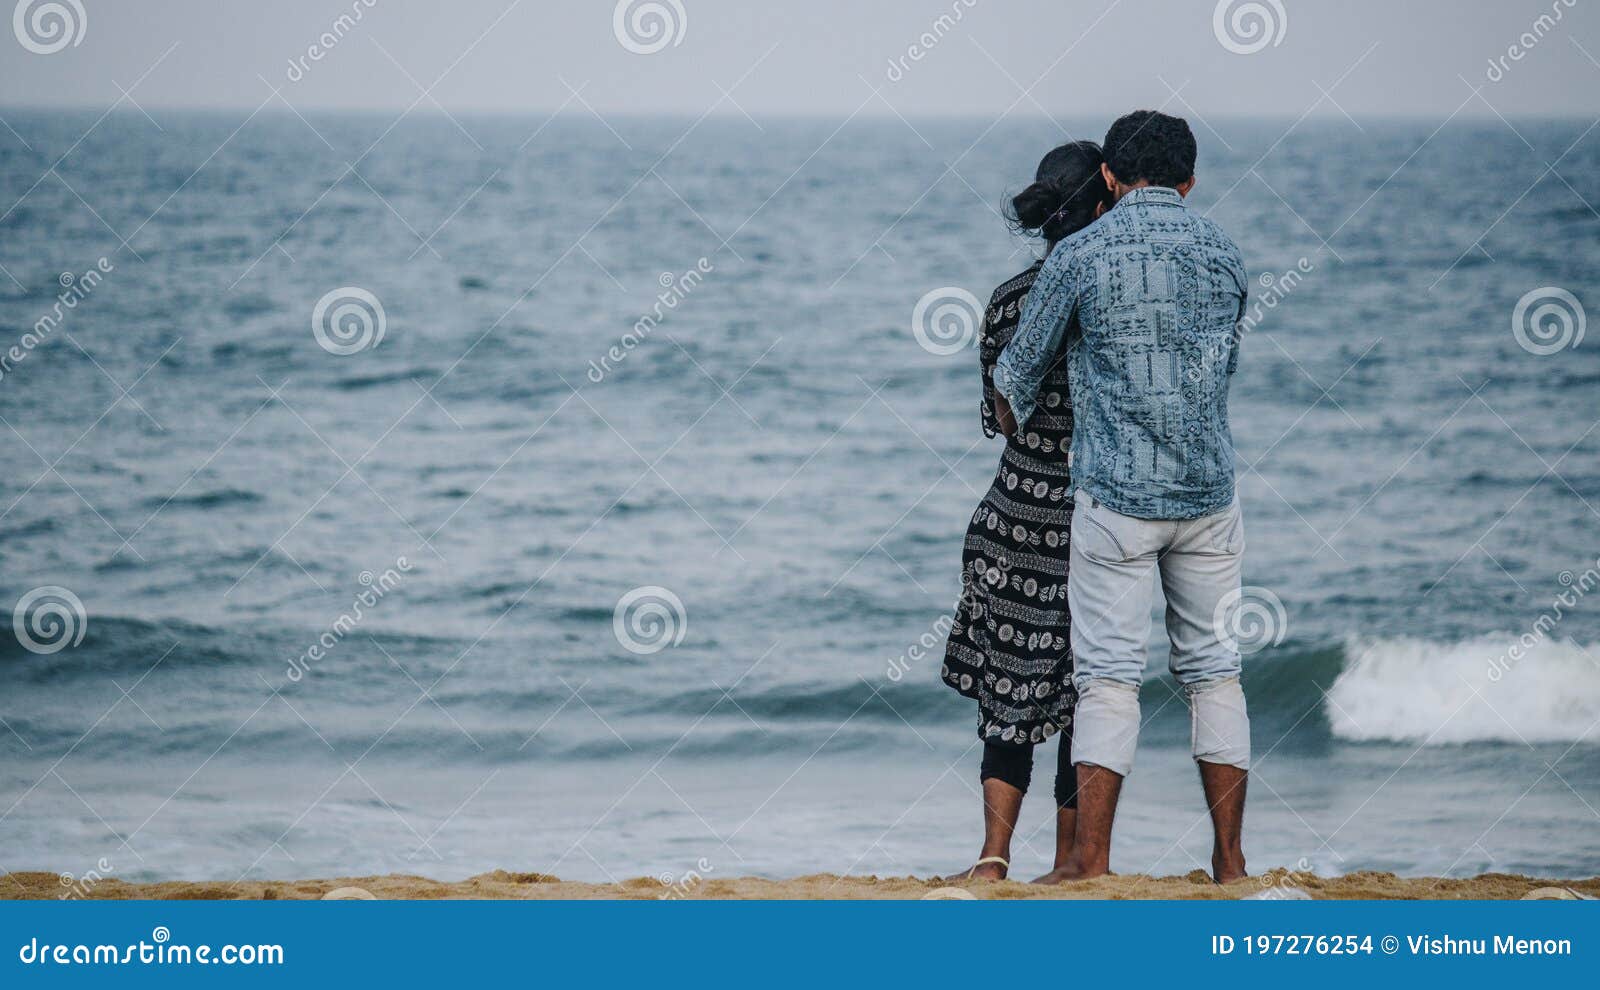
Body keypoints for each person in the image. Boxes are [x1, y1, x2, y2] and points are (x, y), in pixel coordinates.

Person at [993, 110, 1252, 884]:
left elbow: (1016, 374)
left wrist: (1018, 415)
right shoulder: (1226, 253)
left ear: (1109, 176)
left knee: (1107, 679)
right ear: (1190, 181)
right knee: (1215, 672)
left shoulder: (1083, 252)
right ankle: (1231, 862)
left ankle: (1092, 865)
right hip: (1209, 495)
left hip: (1116, 499)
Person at [939, 141, 1113, 882]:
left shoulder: (1009, 298)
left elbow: (1002, 419)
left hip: (1012, 517)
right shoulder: (1110, 302)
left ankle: (992, 857)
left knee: (1007, 691)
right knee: (1085, 694)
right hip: (1091, 521)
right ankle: (1071, 861)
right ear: (1103, 206)